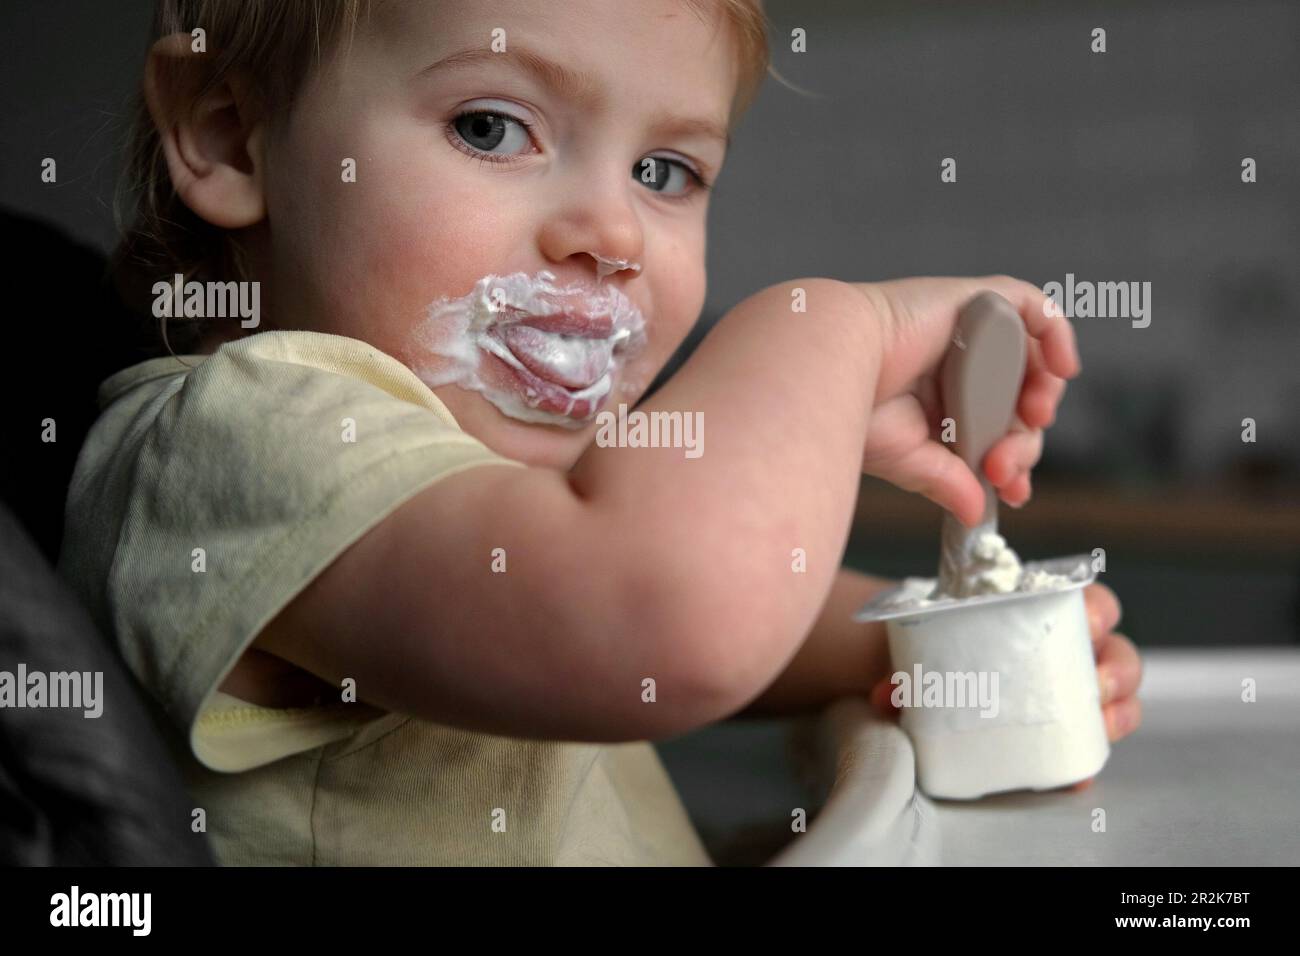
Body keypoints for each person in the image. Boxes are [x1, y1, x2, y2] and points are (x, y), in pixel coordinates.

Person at [57, 0, 1141, 866]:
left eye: (663, 171)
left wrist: (925, 646)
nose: (612, 233)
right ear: (229, 135)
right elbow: (663, 615)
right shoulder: (238, 431)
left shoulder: (494, 487)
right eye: (490, 127)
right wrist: (827, 327)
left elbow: (670, 622)